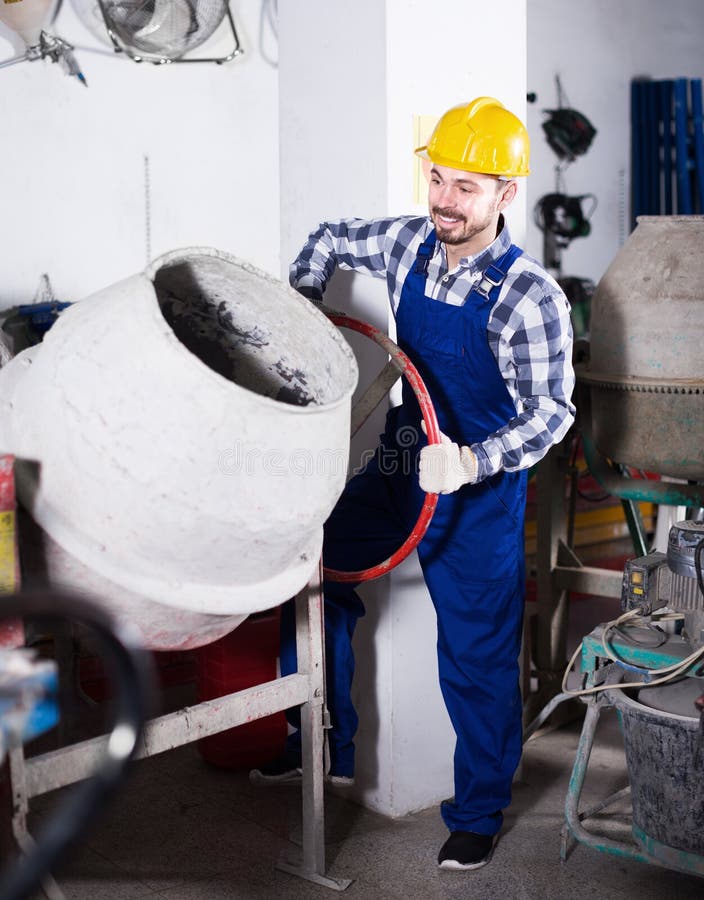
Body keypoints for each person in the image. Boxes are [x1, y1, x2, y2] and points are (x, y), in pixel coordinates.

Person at [251, 96, 576, 871]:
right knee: (314, 570)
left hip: (478, 490)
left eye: (467, 187)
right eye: (437, 178)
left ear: (505, 194)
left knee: (476, 655)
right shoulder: (406, 243)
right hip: (404, 458)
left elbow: (552, 413)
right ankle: (320, 746)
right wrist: (304, 306)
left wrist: (472, 460)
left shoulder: (530, 298)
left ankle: (478, 812)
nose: (444, 200)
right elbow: (329, 237)